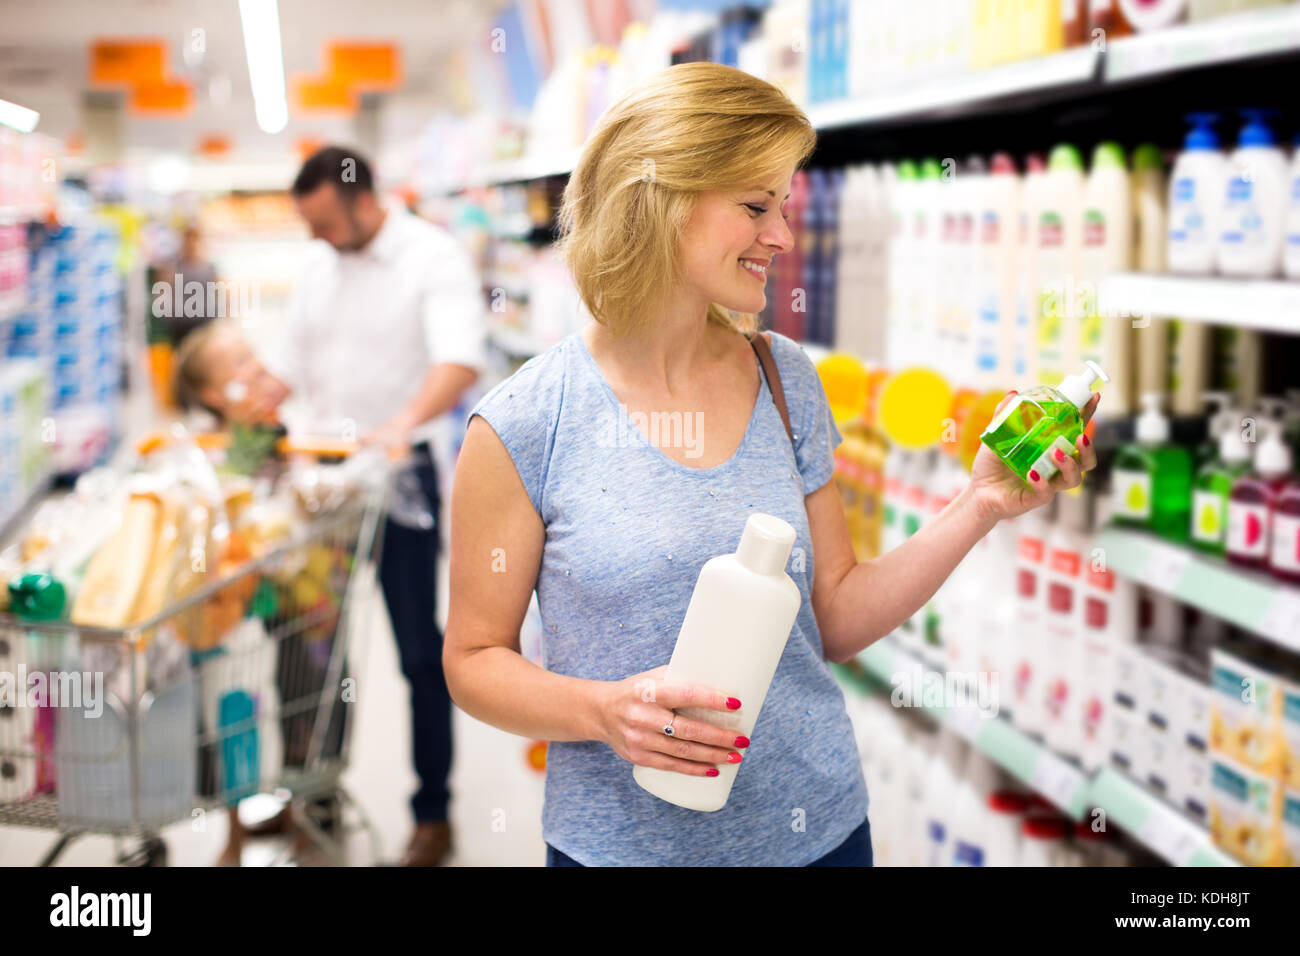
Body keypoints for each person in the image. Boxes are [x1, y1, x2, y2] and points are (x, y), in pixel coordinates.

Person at [444, 62, 1102, 867]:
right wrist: (602, 711)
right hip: (622, 849)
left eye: (783, 207)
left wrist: (980, 503)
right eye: (756, 206)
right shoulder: (524, 421)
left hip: (819, 834)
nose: (782, 237)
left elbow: (834, 616)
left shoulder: (783, 378)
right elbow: (474, 660)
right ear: (659, 197)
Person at [254, 146, 486, 867]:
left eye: (325, 221)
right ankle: (312, 796)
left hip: (396, 482)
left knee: (421, 654)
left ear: (361, 199)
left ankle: (432, 814)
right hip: (321, 486)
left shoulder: (431, 256)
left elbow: (459, 359)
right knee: (309, 655)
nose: (317, 237)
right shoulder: (320, 266)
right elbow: (286, 367)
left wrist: (400, 424)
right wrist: (241, 411)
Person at [173, 319, 348, 867]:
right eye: (238, 366)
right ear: (210, 394)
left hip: (294, 601)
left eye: (254, 358)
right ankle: (233, 829)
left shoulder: (287, 430)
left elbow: (309, 494)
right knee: (228, 712)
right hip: (231, 609)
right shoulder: (201, 453)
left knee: (300, 692)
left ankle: (303, 804)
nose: (255, 371)